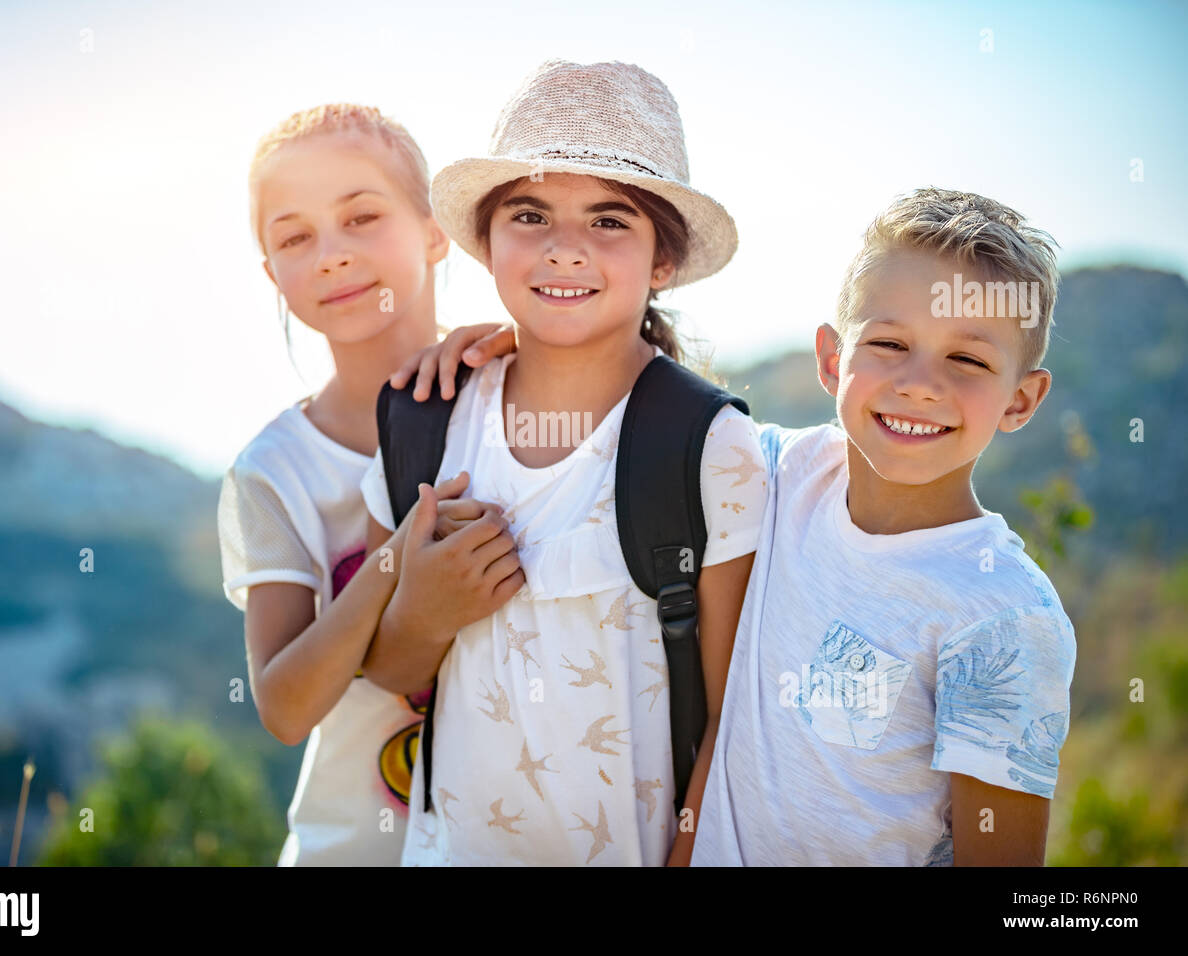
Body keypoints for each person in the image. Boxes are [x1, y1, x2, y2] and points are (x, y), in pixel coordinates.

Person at [358, 59, 769, 866]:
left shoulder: (707, 445)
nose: (566, 250)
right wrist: (428, 610)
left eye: (610, 221)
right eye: (531, 215)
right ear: (485, 243)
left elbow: (731, 718)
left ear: (663, 263)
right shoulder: (428, 419)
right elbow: (389, 670)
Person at [692, 187, 1077, 866]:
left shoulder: (1003, 616)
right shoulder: (779, 473)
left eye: (968, 360)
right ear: (833, 359)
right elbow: (639, 392)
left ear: (1021, 399)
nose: (920, 383)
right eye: (890, 342)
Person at [217, 103, 517, 866]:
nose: (331, 256)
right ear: (271, 273)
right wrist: (395, 561)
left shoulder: (511, 392)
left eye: (361, 217)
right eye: (294, 237)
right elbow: (285, 707)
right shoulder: (274, 470)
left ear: (433, 230)